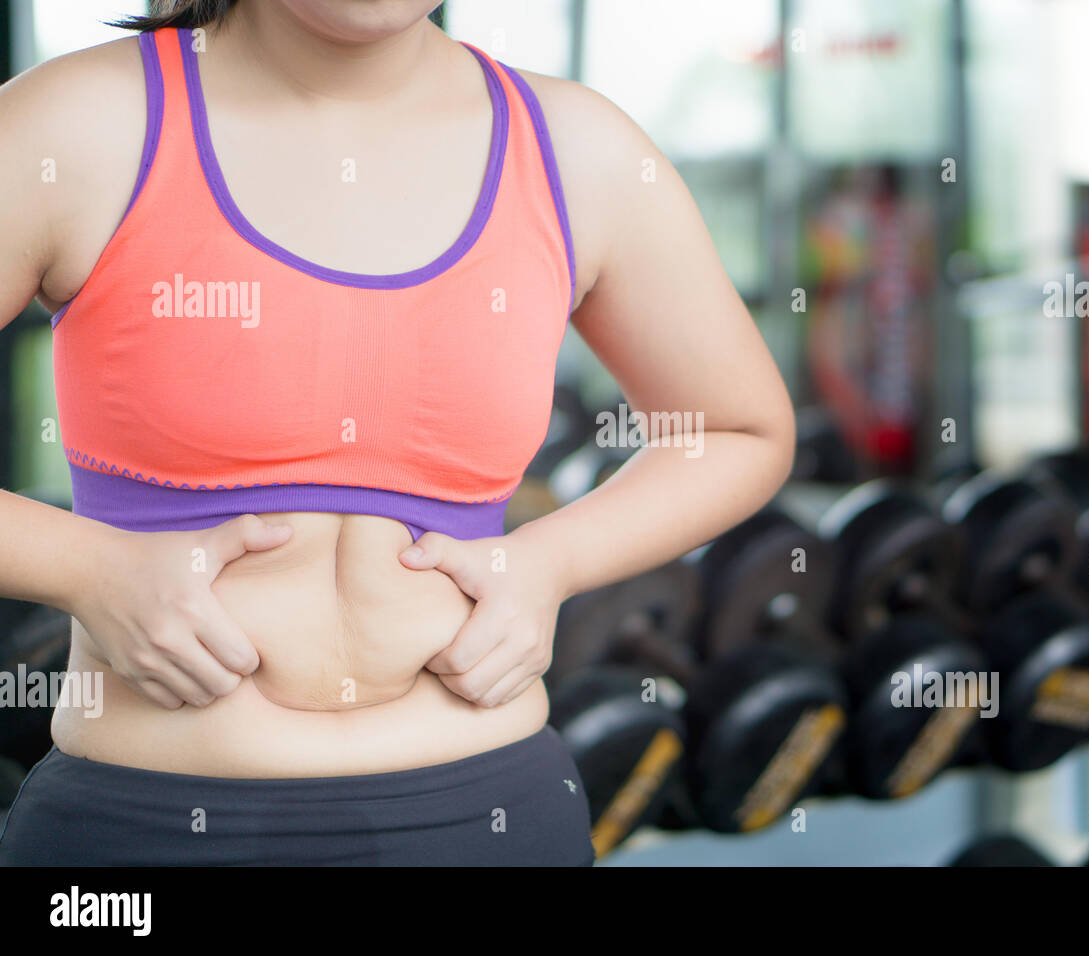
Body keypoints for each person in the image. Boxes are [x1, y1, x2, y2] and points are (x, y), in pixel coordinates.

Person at [0, 0, 794, 865]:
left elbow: (736, 429)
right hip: (149, 828)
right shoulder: (75, 127)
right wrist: (89, 571)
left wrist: (549, 564)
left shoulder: (578, 150)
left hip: (485, 811)